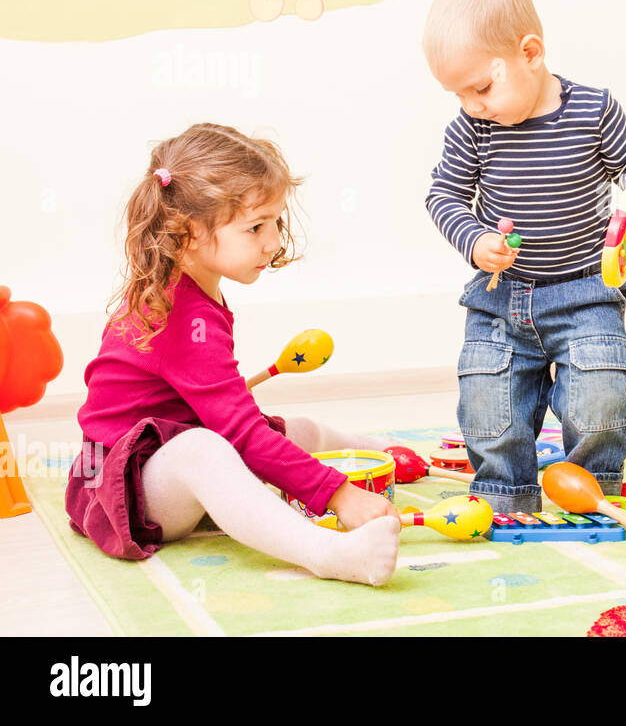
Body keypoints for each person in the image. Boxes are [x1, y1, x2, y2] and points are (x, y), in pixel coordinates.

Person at [65, 123, 401, 586]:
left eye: (276, 222)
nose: (274, 242)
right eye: (256, 227)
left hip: (164, 456)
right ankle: (327, 553)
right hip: (119, 489)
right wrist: (339, 496)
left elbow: (229, 419)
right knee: (208, 448)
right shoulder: (181, 315)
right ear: (188, 234)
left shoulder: (194, 289)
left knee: (289, 430)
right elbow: (238, 435)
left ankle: (382, 453)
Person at [424, 0, 626, 514]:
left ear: (530, 52)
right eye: (457, 94)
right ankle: (507, 490)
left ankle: (591, 490)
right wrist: (476, 239)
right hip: (500, 298)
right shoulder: (472, 129)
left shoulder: (593, 109)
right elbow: (444, 196)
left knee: (599, 395)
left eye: (481, 88)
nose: (471, 104)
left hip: (585, 294)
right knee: (488, 400)